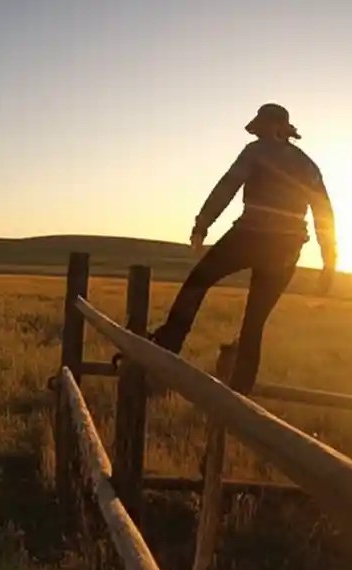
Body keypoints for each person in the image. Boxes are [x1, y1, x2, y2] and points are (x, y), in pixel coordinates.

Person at [125, 103, 337, 395]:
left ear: (275, 127)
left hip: (250, 235)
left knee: (198, 282)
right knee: (255, 321)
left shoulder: (256, 151)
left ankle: (167, 346)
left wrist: (202, 224)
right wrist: (329, 262)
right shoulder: (309, 165)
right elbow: (324, 214)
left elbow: (227, 186)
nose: (260, 133)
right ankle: (240, 395)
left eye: (262, 128)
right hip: (287, 248)